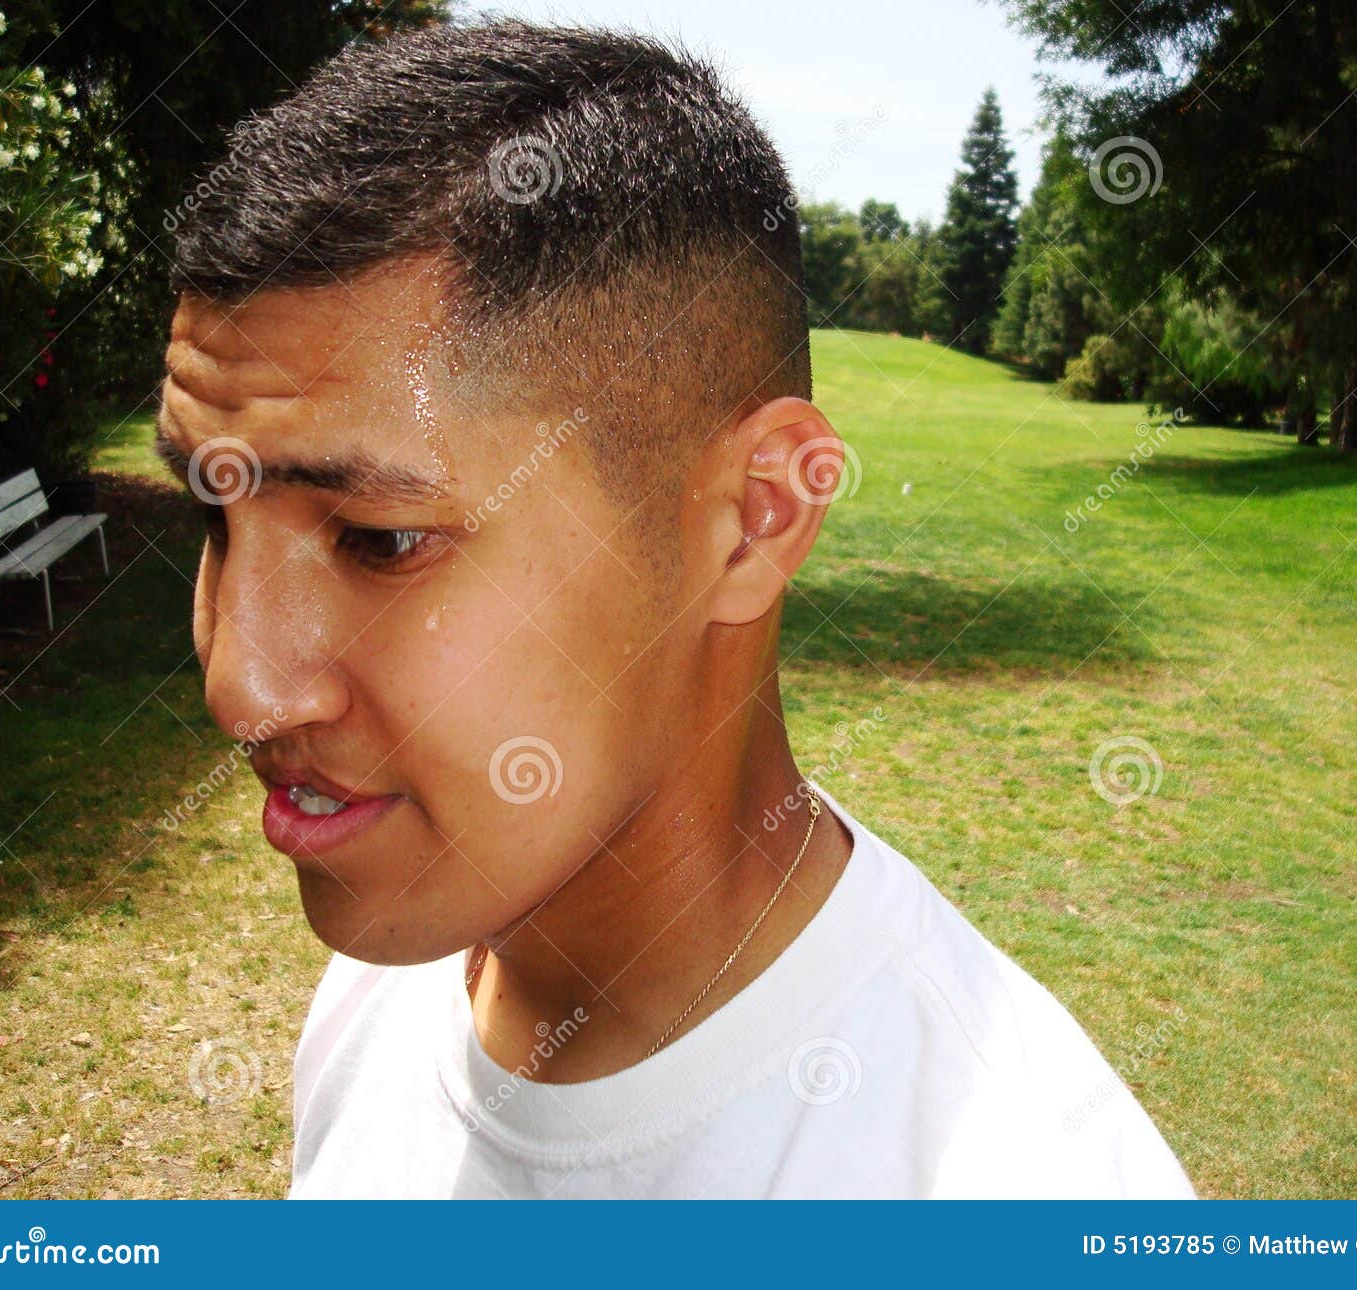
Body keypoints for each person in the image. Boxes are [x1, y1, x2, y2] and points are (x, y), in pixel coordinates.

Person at [157, 18, 1196, 1200]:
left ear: (753, 519)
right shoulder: (395, 976)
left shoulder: (1011, 1190)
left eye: (378, 541)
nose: (239, 681)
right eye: (212, 519)